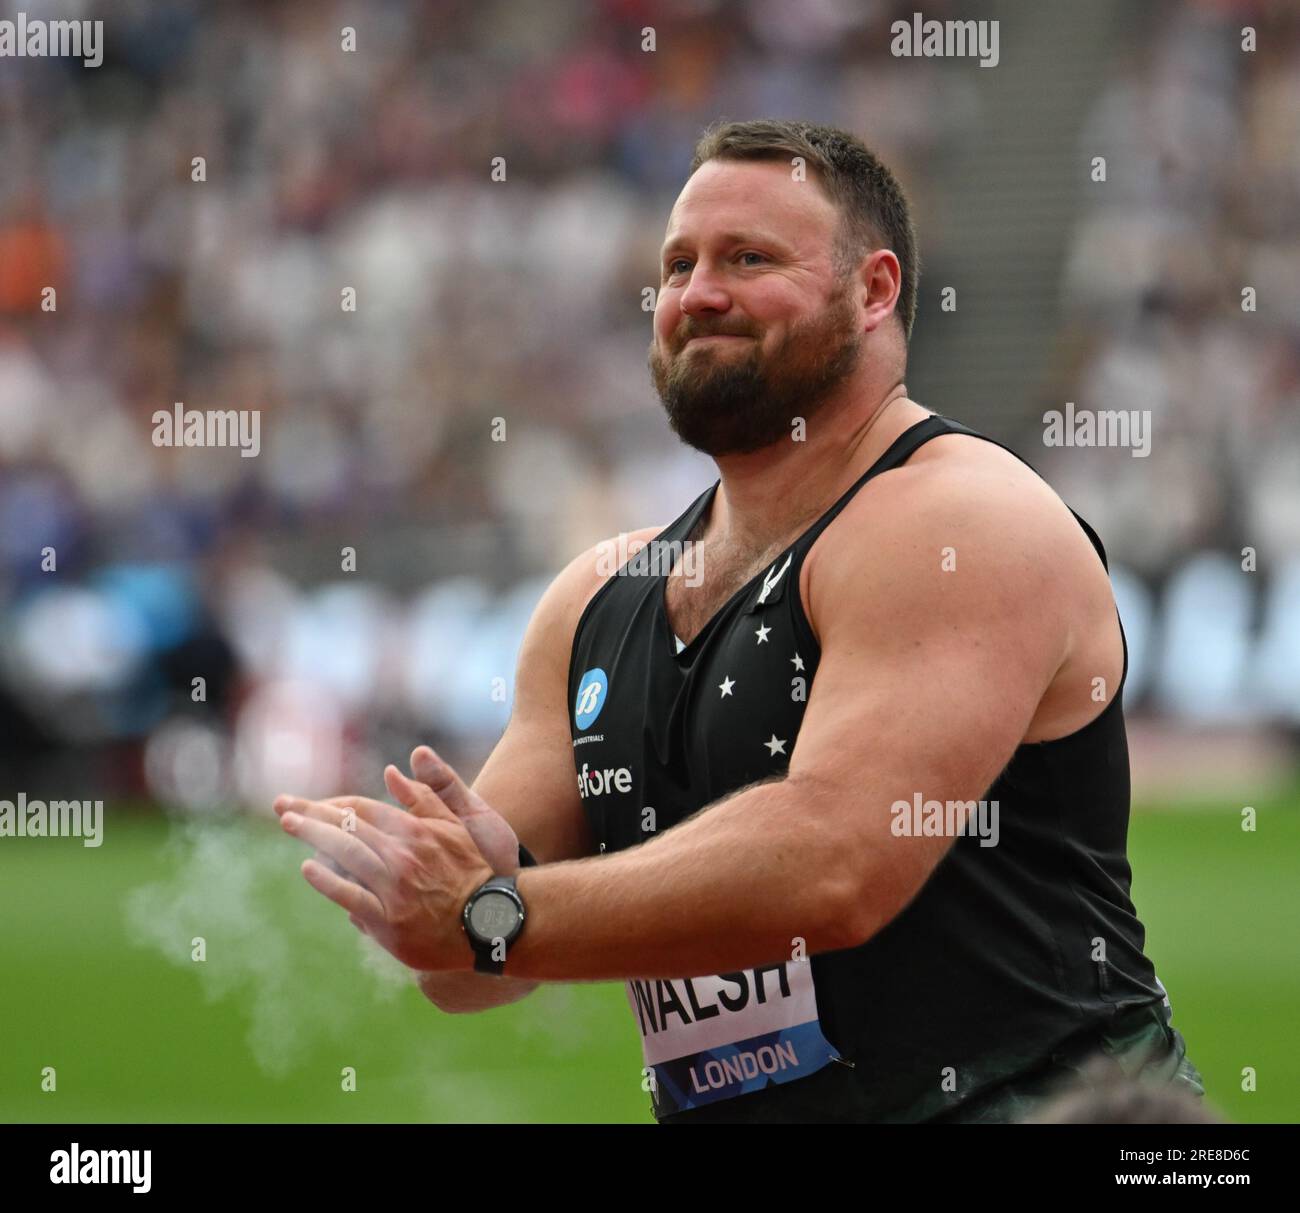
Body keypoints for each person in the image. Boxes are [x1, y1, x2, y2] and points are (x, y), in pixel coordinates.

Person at [273, 118, 1204, 1123]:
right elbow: (469, 968)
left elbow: (834, 865)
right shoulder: (596, 599)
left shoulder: (957, 523)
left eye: (747, 258)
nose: (697, 292)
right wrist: (437, 896)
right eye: (677, 265)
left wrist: (491, 912)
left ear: (874, 290)